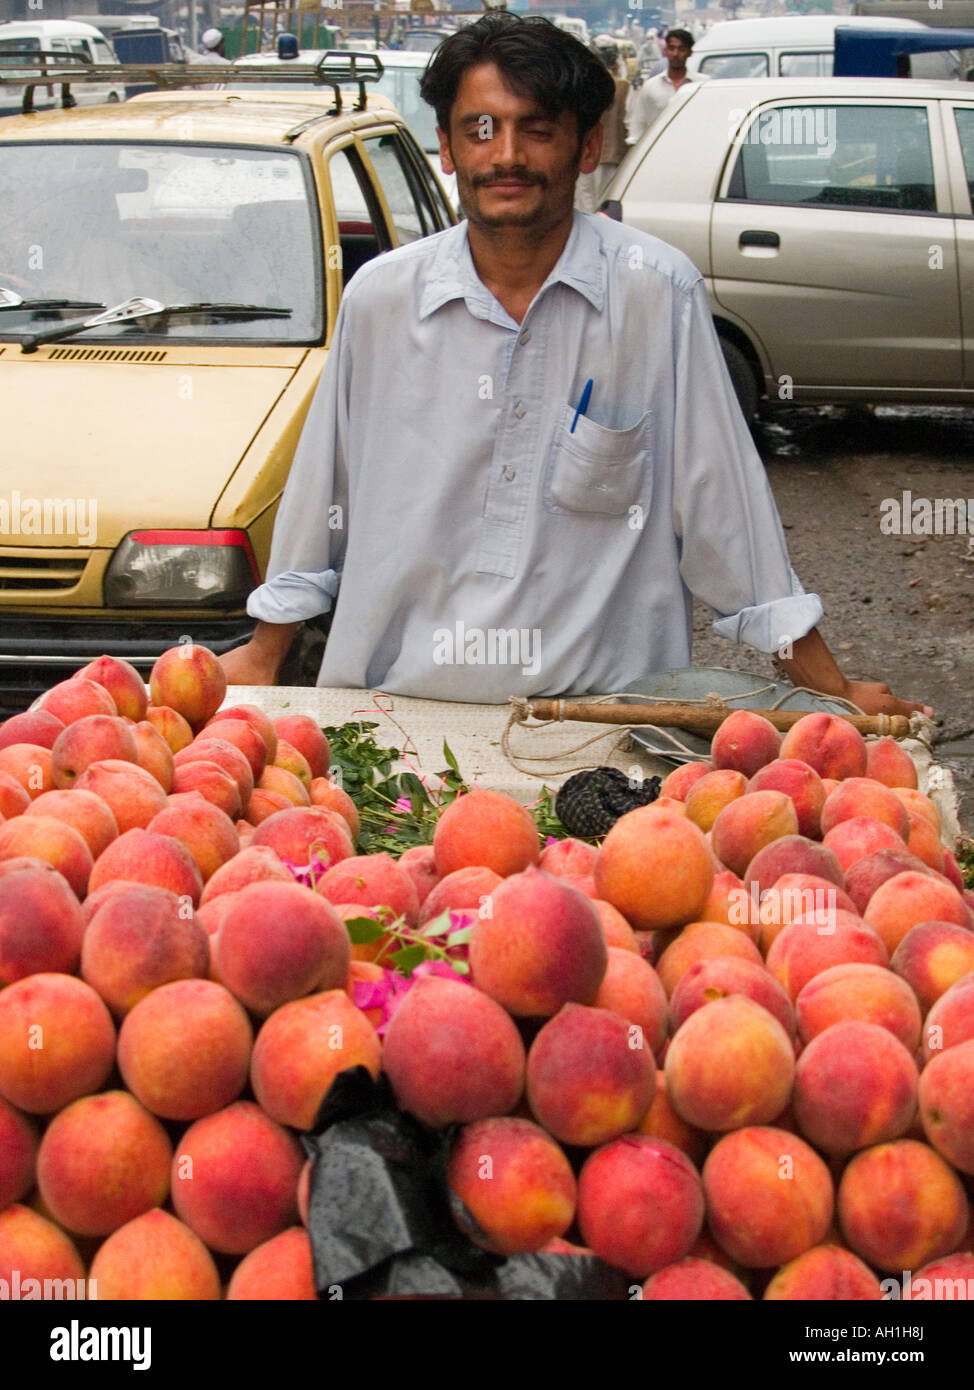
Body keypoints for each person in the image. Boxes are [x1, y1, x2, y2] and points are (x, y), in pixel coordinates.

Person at [220, 13, 929, 719]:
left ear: (588, 148)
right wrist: (264, 650)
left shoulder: (655, 292)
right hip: (393, 707)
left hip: (599, 722)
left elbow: (722, 504)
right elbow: (322, 494)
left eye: (537, 129)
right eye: (480, 129)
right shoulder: (382, 299)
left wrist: (824, 684)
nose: (506, 156)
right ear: (446, 147)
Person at [574, 36, 629, 214]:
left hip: (584, 154)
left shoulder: (578, 87)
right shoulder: (623, 87)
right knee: (606, 201)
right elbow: (629, 123)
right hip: (613, 156)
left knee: (585, 201)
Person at [627, 27, 706, 145]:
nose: (676, 54)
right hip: (657, 149)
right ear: (665, 51)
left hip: (694, 146)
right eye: (672, 48)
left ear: (689, 53)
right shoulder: (650, 87)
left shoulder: (702, 85)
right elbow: (638, 121)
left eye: (681, 49)